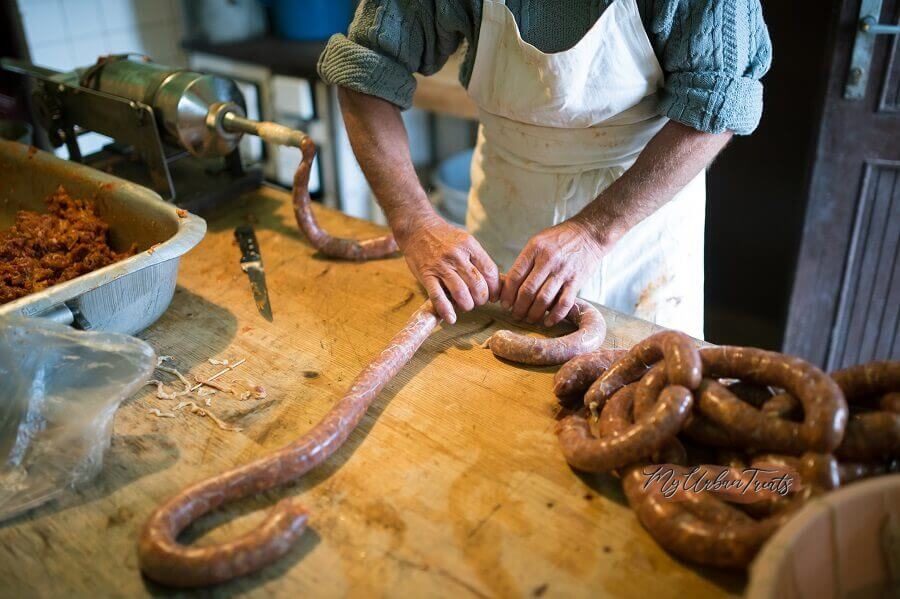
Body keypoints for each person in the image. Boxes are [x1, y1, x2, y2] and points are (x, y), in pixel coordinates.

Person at [318, 0, 771, 338]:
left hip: (640, 224)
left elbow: (717, 107)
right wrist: (413, 222)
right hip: (507, 201)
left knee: (644, 389)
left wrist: (594, 231)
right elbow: (365, 71)